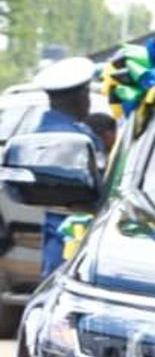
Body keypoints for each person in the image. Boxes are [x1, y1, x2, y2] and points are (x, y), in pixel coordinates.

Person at [31, 56, 105, 274]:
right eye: (87, 95)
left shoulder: (61, 131)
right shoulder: (66, 140)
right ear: (79, 98)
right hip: (71, 242)